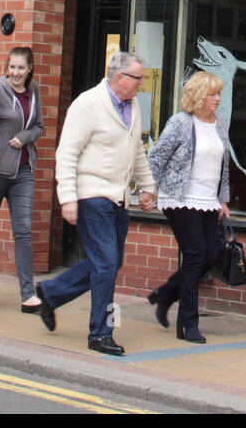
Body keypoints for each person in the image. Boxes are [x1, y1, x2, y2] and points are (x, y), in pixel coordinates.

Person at [35, 52, 156, 355]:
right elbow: (67, 153)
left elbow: (137, 150)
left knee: (110, 261)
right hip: (91, 194)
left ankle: (51, 292)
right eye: (138, 78)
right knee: (106, 263)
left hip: (118, 197)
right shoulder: (88, 104)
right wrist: (68, 198)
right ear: (120, 78)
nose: (141, 84)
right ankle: (100, 333)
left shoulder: (132, 107)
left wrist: (147, 186)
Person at [145, 71, 232, 344]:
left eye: (218, 93)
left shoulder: (219, 124)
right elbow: (156, 157)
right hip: (180, 198)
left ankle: (167, 294)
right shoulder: (181, 123)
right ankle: (187, 325)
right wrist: (149, 189)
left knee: (211, 256)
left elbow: (224, 165)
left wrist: (223, 199)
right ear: (198, 96)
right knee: (195, 256)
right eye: (211, 94)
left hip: (208, 199)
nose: (217, 99)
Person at [0, 47, 45, 312]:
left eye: (21, 68)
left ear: (29, 68)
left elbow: (39, 126)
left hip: (24, 171)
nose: (16, 73)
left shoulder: (34, 90)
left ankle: (28, 295)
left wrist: (24, 137)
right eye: (12, 67)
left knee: (23, 230)